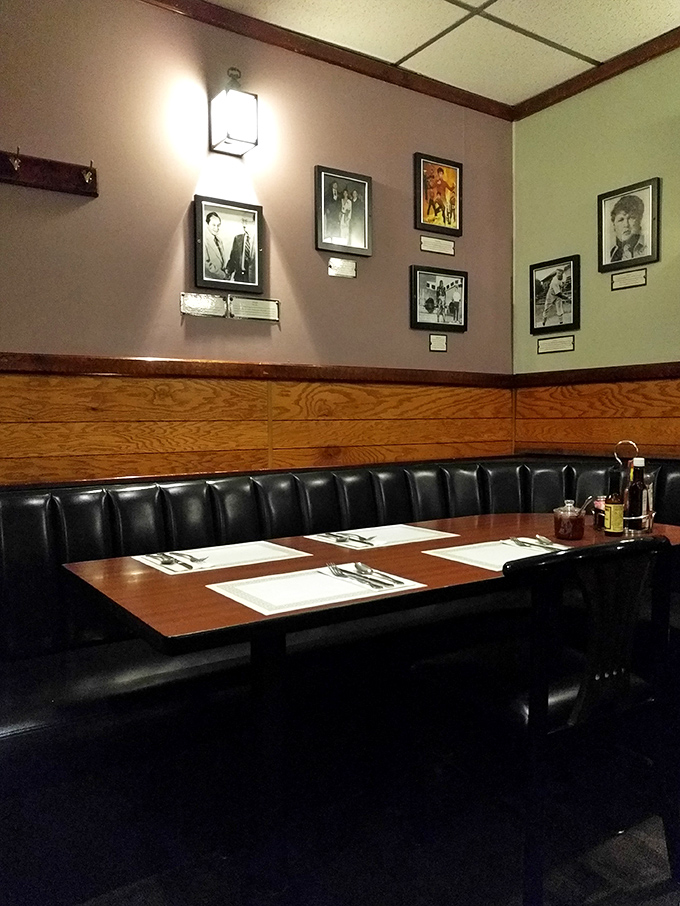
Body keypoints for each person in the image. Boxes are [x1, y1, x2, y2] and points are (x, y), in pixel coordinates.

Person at [609, 194, 648, 261]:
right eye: (621, 220)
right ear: (614, 226)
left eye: (631, 218)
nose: (626, 225)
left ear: (640, 220)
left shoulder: (648, 246)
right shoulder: (612, 255)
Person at [226, 215, 256, 283]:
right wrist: (227, 272)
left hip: (253, 280)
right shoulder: (238, 239)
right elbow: (233, 259)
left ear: (254, 223)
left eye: (247, 221)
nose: (244, 224)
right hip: (239, 278)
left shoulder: (260, 240)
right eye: (243, 221)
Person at [204, 211, 228, 280]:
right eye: (214, 225)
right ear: (207, 224)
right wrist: (223, 275)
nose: (216, 228)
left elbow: (222, 261)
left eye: (218, 225)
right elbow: (206, 265)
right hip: (210, 280)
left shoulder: (219, 240)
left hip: (220, 280)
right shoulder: (203, 239)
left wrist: (225, 271)